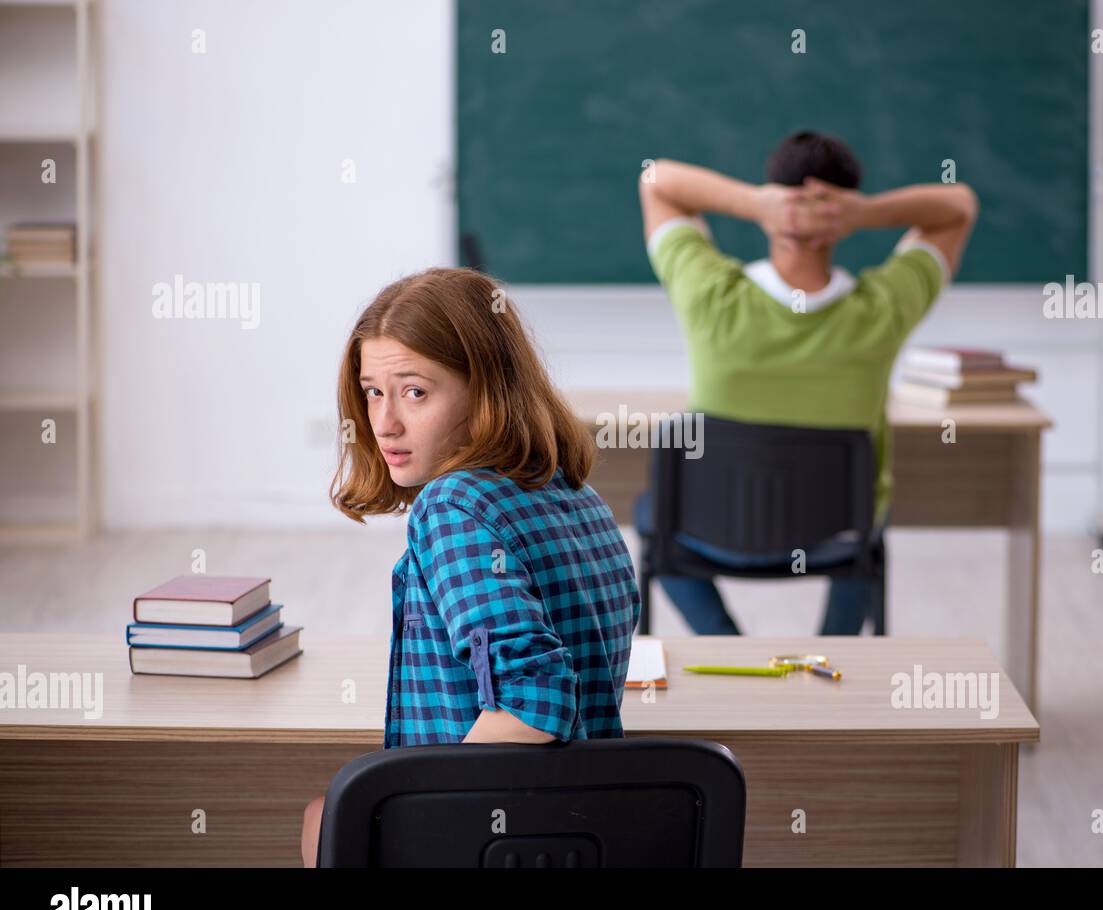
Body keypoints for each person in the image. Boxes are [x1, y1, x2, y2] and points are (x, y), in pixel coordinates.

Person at [302, 267, 641, 866]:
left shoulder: (452, 506)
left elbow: (533, 697)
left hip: (502, 838)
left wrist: (425, 806)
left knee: (326, 817)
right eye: (374, 392)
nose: (384, 423)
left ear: (487, 390)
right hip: (593, 831)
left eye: (415, 392)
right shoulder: (580, 496)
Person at [636, 130, 978, 635]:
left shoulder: (709, 294)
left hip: (708, 533)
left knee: (654, 519)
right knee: (867, 516)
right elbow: (959, 205)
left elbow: (656, 181)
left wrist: (756, 204)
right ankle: (834, 653)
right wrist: (859, 213)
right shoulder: (882, 309)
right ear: (842, 218)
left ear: (773, 199)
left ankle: (724, 643)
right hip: (835, 537)